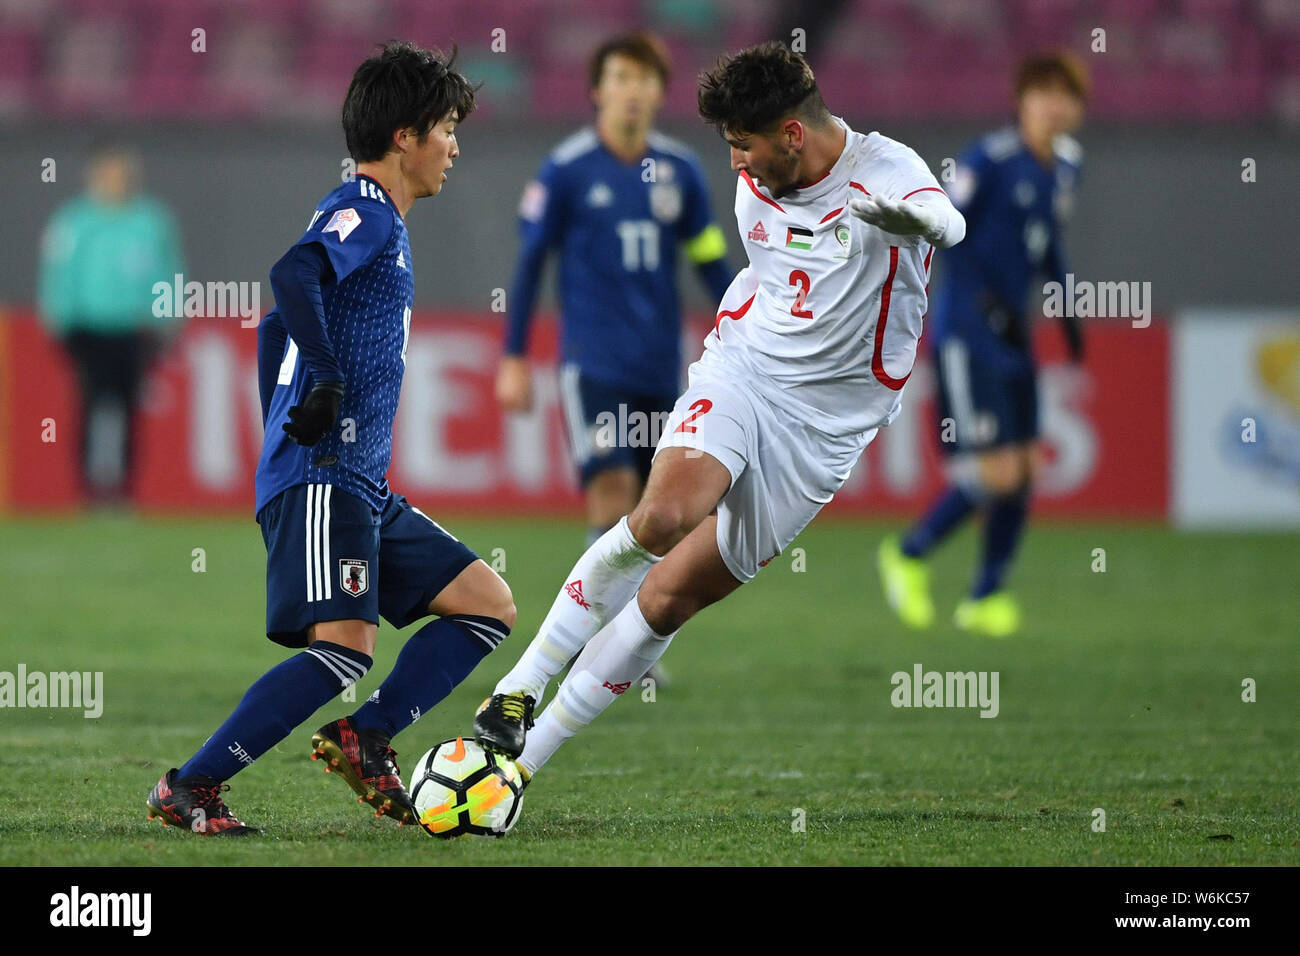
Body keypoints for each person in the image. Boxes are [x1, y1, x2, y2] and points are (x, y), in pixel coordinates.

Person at [473, 42, 964, 780]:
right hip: (745, 372)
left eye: (744, 146)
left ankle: (520, 769)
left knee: (669, 600)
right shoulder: (751, 188)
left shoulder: (889, 172)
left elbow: (945, 217)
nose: (737, 163)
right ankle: (517, 690)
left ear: (792, 134)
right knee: (660, 518)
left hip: (825, 431)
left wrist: (926, 229)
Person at [147, 42, 515, 836]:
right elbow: (289, 277)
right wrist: (321, 389)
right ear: (408, 135)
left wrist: (294, 400)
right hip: (326, 475)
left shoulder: (377, 219)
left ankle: (367, 733)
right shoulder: (368, 210)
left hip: (355, 478)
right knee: (343, 649)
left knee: (486, 605)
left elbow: (276, 321)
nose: (456, 144)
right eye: (448, 127)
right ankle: (193, 787)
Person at [877, 52, 1088, 639]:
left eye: (1064, 96)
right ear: (1021, 100)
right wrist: (977, 298)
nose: (1053, 106)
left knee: (1023, 468)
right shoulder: (988, 161)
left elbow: (1049, 245)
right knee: (996, 472)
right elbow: (940, 226)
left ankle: (988, 594)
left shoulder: (1067, 166)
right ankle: (910, 552)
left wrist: (1067, 308)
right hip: (968, 332)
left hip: (1015, 331)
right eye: (1042, 93)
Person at [496, 31, 733, 550]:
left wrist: (754, 333)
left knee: (661, 512)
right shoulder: (566, 169)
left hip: (658, 364)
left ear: (660, 92)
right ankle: (591, 630)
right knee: (612, 490)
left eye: (643, 79)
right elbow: (531, 262)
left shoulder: (682, 172)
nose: (631, 89)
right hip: (594, 365)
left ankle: (631, 630)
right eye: (620, 77)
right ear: (597, 91)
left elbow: (711, 261)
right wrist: (513, 357)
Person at [37, 143, 184, 504]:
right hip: (88, 329)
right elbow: (58, 274)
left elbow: (169, 272)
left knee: (129, 409)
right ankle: (89, 488)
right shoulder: (74, 222)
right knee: (90, 405)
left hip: (135, 330)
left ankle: (124, 490)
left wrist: (167, 320)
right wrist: (60, 321)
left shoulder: (151, 221)